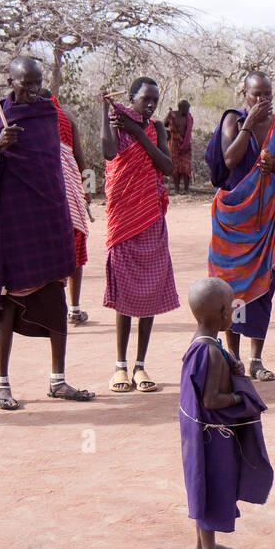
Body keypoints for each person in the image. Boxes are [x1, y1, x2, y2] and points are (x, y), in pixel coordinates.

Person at [0, 55, 94, 409]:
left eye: (38, 82)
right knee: (6, 300)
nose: (34, 90)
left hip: (48, 219)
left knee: (55, 297)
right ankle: (1, 383)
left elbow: (55, 166)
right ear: (10, 83)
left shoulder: (49, 114)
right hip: (11, 224)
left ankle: (58, 380)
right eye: (26, 84)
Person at [206, 72, 275, 381]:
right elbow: (230, 160)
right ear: (245, 95)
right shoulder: (233, 120)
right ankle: (233, 358)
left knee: (262, 291)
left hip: (265, 222)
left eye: (267, 95)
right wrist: (248, 125)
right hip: (232, 222)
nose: (262, 100)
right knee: (231, 292)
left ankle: (256, 359)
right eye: (255, 95)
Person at [179, 277, 273, 549]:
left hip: (199, 434)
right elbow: (212, 400)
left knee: (202, 484)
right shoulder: (212, 354)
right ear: (221, 314)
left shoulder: (200, 345)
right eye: (231, 309)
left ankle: (202, 545)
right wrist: (238, 395)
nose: (233, 314)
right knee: (213, 487)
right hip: (213, 436)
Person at [102, 77, 179, 393]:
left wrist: (139, 133)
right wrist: (103, 116)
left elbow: (167, 166)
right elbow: (108, 153)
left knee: (149, 293)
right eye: (145, 99)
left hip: (150, 217)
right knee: (125, 294)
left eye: (154, 100)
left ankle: (140, 365)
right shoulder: (116, 122)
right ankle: (120, 366)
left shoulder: (156, 127)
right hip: (123, 218)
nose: (150, 105)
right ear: (130, 98)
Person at [45, 90, 91, 325]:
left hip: (43, 195)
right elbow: (81, 158)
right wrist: (88, 190)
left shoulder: (26, 119)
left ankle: (51, 310)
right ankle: (74, 309)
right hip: (72, 193)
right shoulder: (67, 117)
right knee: (75, 252)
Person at [163, 99, 194, 194]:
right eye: (187, 109)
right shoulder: (172, 115)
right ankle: (176, 189)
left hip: (185, 144)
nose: (188, 111)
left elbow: (188, 131)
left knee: (186, 166)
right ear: (182, 108)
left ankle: (186, 189)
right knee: (175, 166)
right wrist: (169, 131)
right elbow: (163, 125)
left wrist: (184, 143)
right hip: (174, 144)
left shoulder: (188, 118)